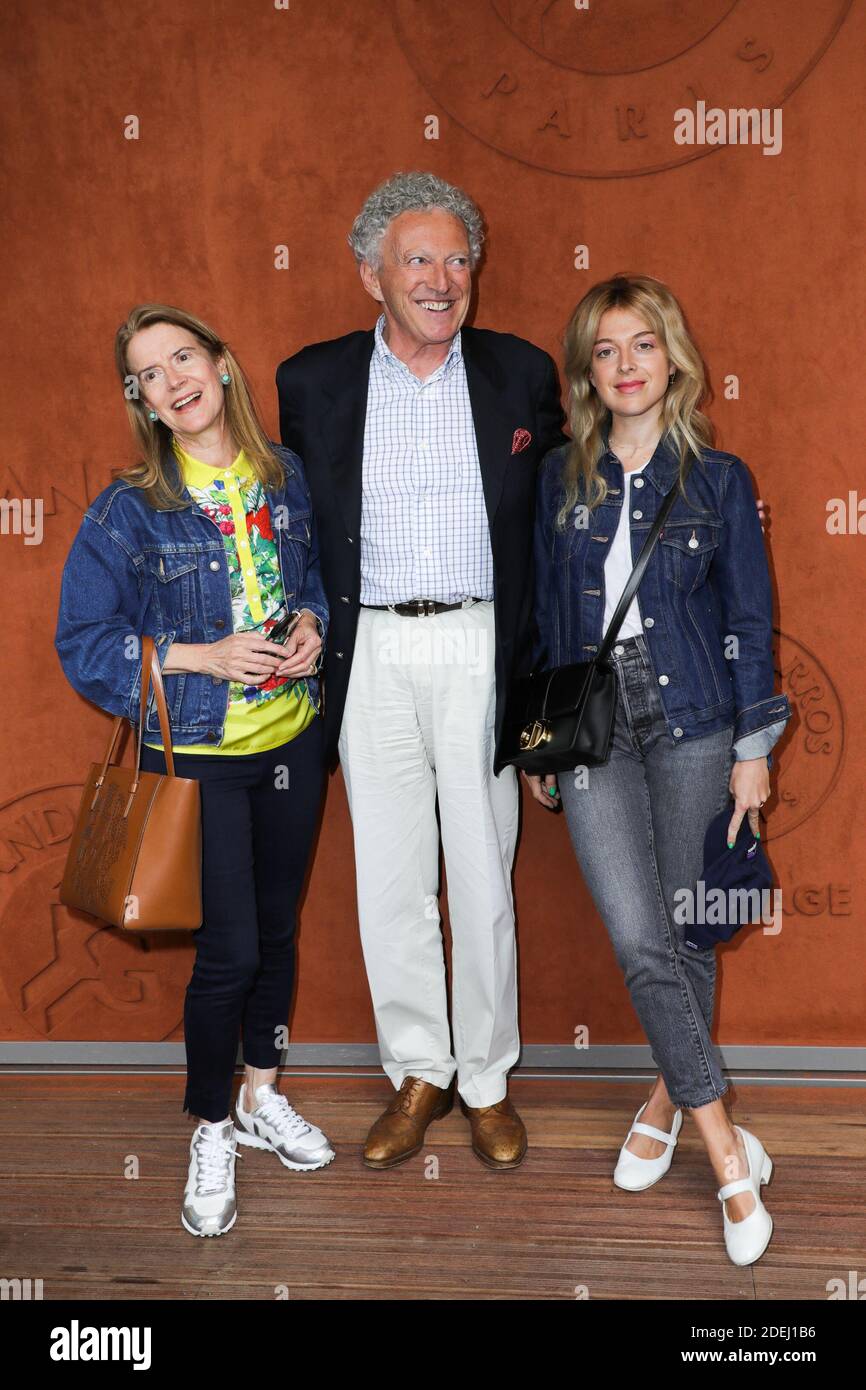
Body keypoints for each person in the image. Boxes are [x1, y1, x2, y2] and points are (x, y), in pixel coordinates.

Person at [276, 171, 569, 1169]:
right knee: (389, 874)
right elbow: (288, 532)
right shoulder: (309, 381)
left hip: (482, 643)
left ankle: (484, 1078)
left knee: (482, 871)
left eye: (456, 259)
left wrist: (548, 715)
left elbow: (558, 545)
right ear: (370, 273)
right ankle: (419, 1070)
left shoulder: (522, 372)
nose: (441, 280)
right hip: (369, 653)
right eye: (416, 259)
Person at [527, 273, 791, 1266]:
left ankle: (662, 1095)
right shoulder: (561, 475)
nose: (625, 364)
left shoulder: (716, 478)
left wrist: (752, 753)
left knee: (687, 935)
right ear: (586, 373)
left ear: (671, 357)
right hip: (594, 721)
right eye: (604, 350)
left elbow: (747, 620)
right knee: (640, 937)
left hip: (691, 716)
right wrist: (540, 743)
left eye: (641, 344)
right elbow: (551, 616)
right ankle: (725, 1150)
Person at [55, 304, 334, 1238]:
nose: (173, 379)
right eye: (149, 373)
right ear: (142, 401)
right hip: (201, 760)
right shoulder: (128, 506)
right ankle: (211, 1125)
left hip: (291, 745)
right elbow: (85, 645)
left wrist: (308, 631)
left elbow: (307, 588)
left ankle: (261, 1094)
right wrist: (199, 656)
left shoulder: (282, 474)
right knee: (231, 955)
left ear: (220, 362)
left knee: (280, 933)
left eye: (184, 356)